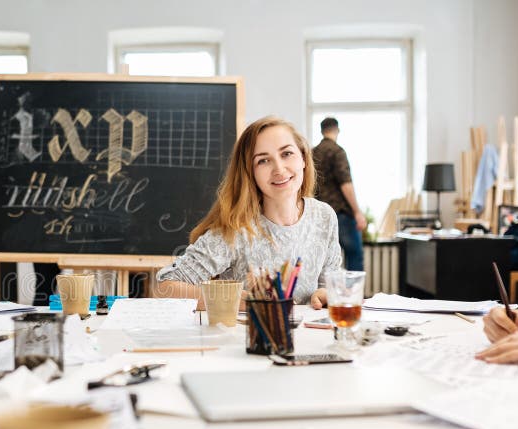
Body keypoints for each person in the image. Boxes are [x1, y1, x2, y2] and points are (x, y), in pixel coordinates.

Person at [155, 116, 342, 308]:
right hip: (247, 337)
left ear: (303, 158)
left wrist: (325, 293)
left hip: (306, 337)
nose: (279, 168)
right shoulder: (238, 228)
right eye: (263, 161)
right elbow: (164, 287)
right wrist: (231, 300)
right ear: (250, 173)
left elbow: (328, 286)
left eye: (286, 154)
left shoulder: (324, 216)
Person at [312, 117, 367, 271]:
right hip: (340, 213)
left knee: (324, 261)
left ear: (322, 131)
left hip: (319, 215)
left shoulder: (312, 153)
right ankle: (353, 295)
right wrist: (357, 212)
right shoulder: (337, 151)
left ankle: (327, 294)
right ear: (337, 130)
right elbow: (346, 183)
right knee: (354, 255)